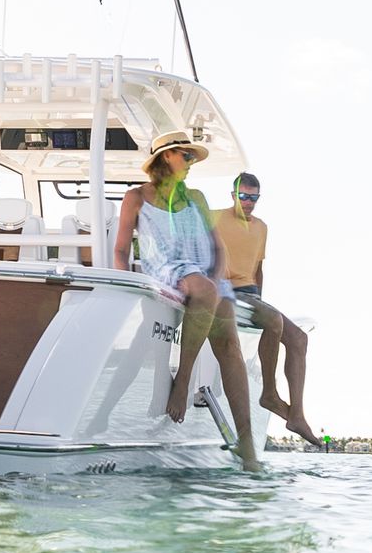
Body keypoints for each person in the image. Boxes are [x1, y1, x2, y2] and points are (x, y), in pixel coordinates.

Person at [111, 130, 261, 467]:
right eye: (187, 156)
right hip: (165, 269)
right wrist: (128, 290)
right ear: (167, 156)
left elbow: (217, 248)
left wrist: (218, 276)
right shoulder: (136, 197)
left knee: (229, 340)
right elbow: (121, 250)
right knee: (207, 291)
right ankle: (183, 382)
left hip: (203, 274)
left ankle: (247, 443)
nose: (191, 163)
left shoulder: (196, 198)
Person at [209, 171, 319, 446]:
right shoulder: (213, 218)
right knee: (272, 320)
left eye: (253, 198)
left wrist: (260, 300)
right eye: (243, 196)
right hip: (224, 292)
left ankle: (298, 414)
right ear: (233, 195)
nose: (248, 203)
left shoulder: (261, 227)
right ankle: (269, 393)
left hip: (250, 296)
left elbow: (258, 268)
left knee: (299, 338)